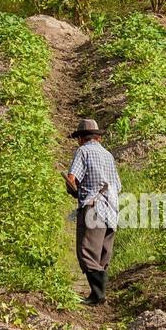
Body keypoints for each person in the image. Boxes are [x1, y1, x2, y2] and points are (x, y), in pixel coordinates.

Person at [65, 118, 120, 305]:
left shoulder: (83, 151)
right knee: (103, 253)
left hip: (93, 208)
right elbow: (117, 185)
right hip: (112, 209)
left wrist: (74, 190)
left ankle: (97, 295)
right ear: (97, 137)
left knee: (87, 252)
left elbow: (72, 179)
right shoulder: (107, 155)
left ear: (81, 138)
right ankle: (99, 294)